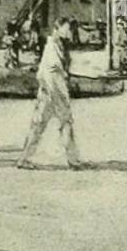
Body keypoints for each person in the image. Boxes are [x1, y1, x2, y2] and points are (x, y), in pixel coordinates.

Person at [17, 18, 82, 170]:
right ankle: (73, 160)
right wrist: (59, 90)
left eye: (68, 29)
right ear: (57, 29)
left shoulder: (59, 44)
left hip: (50, 93)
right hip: (53, 92)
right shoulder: (52, 46)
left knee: (45, 126)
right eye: (65, 29)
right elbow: (49, 72)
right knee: (60, 124)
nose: (68, 32)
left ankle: (25, 159)